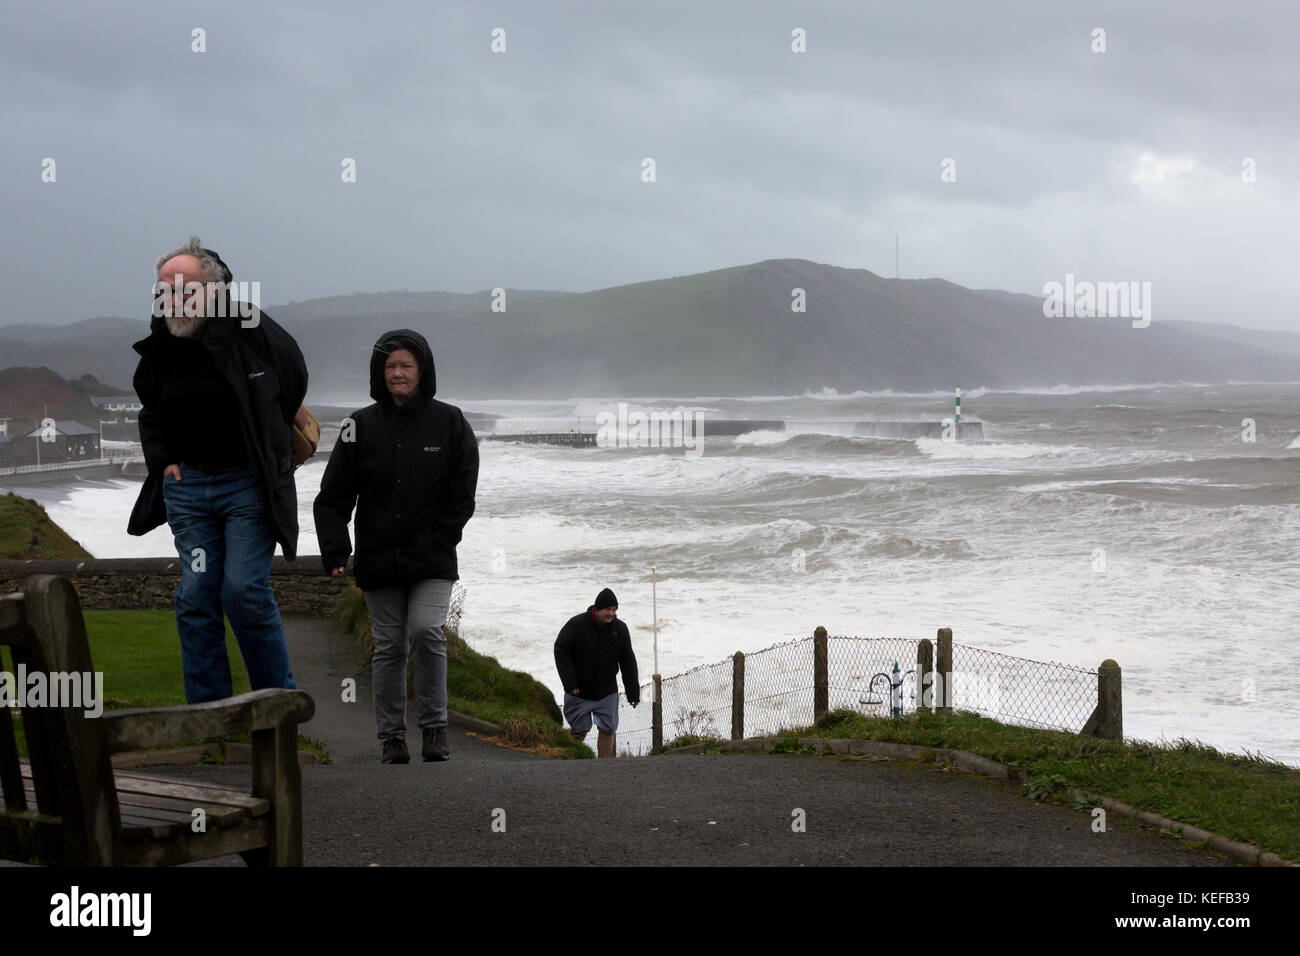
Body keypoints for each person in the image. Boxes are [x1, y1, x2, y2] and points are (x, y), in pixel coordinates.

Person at [128, 237, 307, 703]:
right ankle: (210, 720)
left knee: (243, 590)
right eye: (166, 288)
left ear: (214, 289)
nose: (176, 297)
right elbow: (150, 407)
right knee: (195, 597)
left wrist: (266, 446)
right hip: (188, 488)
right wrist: (163, 460)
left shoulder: (248, 328)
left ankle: (275, 709)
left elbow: (292, 378)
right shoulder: (163, 341)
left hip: (246, 485)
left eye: (186, 287)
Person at [314, 329, 479, 764]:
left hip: (433, 555)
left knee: (426, 631)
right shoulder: (358, 425)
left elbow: (464, 489)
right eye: (390, 367)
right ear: (379, 373)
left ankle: (435, 729)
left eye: (406, 365)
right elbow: (333, 495)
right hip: (379, 556)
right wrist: (335, 551)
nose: (398, 373)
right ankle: (392, 738)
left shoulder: (450, 421)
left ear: (422, 371)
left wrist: (445, 535)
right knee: (389, 646)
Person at [554, 588, 639, 758]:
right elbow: (560, 650)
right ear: (597, 609)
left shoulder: (620, 629)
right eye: (608, 609)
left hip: (607, 690)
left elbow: (627, 661)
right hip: (579, 690)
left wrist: (633, 693)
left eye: (614, 610)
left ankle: (604, 767)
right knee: (580, 730)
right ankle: (569, 760)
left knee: (608, 729)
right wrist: (569, 683)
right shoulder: (577, 624)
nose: (611, 614)